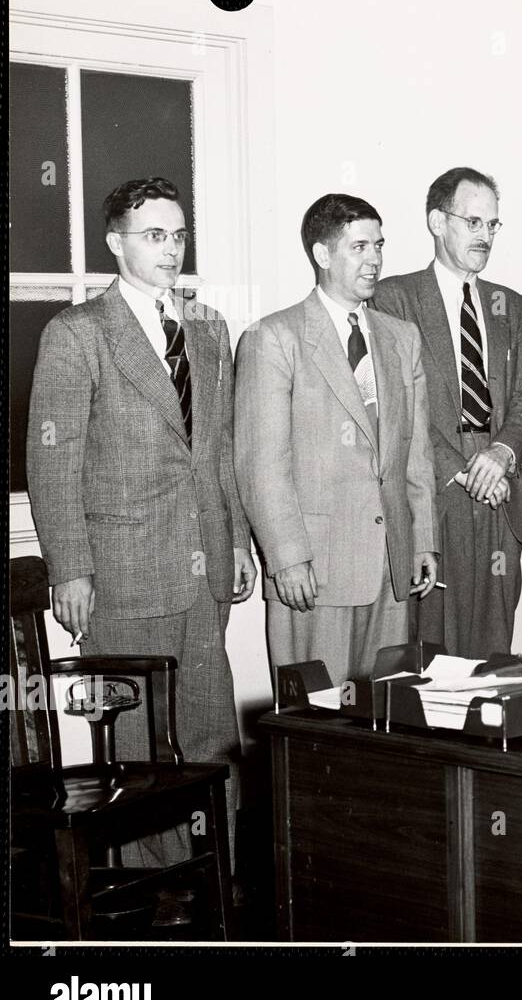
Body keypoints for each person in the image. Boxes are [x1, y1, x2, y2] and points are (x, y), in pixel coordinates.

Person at [26, 176, 255, 867]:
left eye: (178, 234)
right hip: (125, 569)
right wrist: (70, 569)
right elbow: (53, 462)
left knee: (210, 731)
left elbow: (218, 447)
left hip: (203, 561)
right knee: (138, 746)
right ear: (116, 241)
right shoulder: (78, 333)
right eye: (155, 234)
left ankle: (212, 869)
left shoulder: (208, 328)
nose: (171, 248)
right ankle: (155, 886)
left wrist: (237, 538)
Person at [235, 194, 438, 685]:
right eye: (359, 246)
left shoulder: (401, 338)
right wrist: (286, 557)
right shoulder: (273, 337)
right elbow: (261, 462)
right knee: (315, 724)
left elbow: (415, 452)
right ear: (322, 255)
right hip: (312, 573)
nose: (375, 260)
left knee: (384, 717)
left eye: (379, 245)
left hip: (392, 570)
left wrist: (423, 540)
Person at [373, 168, 522, 658]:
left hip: (501, 486)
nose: (485, 236)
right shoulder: (393, 297)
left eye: (493, 225)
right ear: (436, 221)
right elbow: (396, 403)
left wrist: (502, 453)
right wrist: (463, 469)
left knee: (493, 649)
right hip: (432, 484)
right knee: (431, 647)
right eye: (473, 222)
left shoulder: (511, 305)